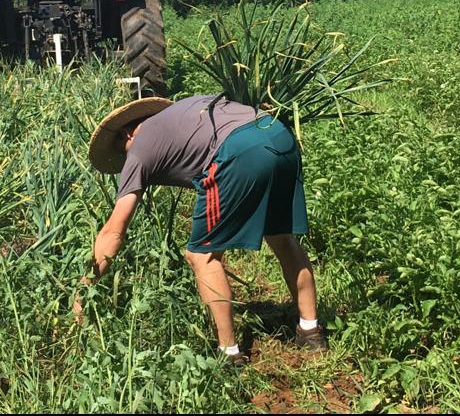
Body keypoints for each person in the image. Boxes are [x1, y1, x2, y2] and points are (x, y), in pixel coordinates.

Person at [81, 94, 327, 365]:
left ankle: (229, 354)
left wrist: (84, 288)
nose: (124, 160)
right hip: (279, 136)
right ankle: (310, 330)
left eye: (120, 151)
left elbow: (114, 231)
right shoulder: (186, 110)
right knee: (282, 237)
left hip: (238, 152)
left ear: (127, 133)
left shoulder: (139, 146)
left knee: (203, 256)